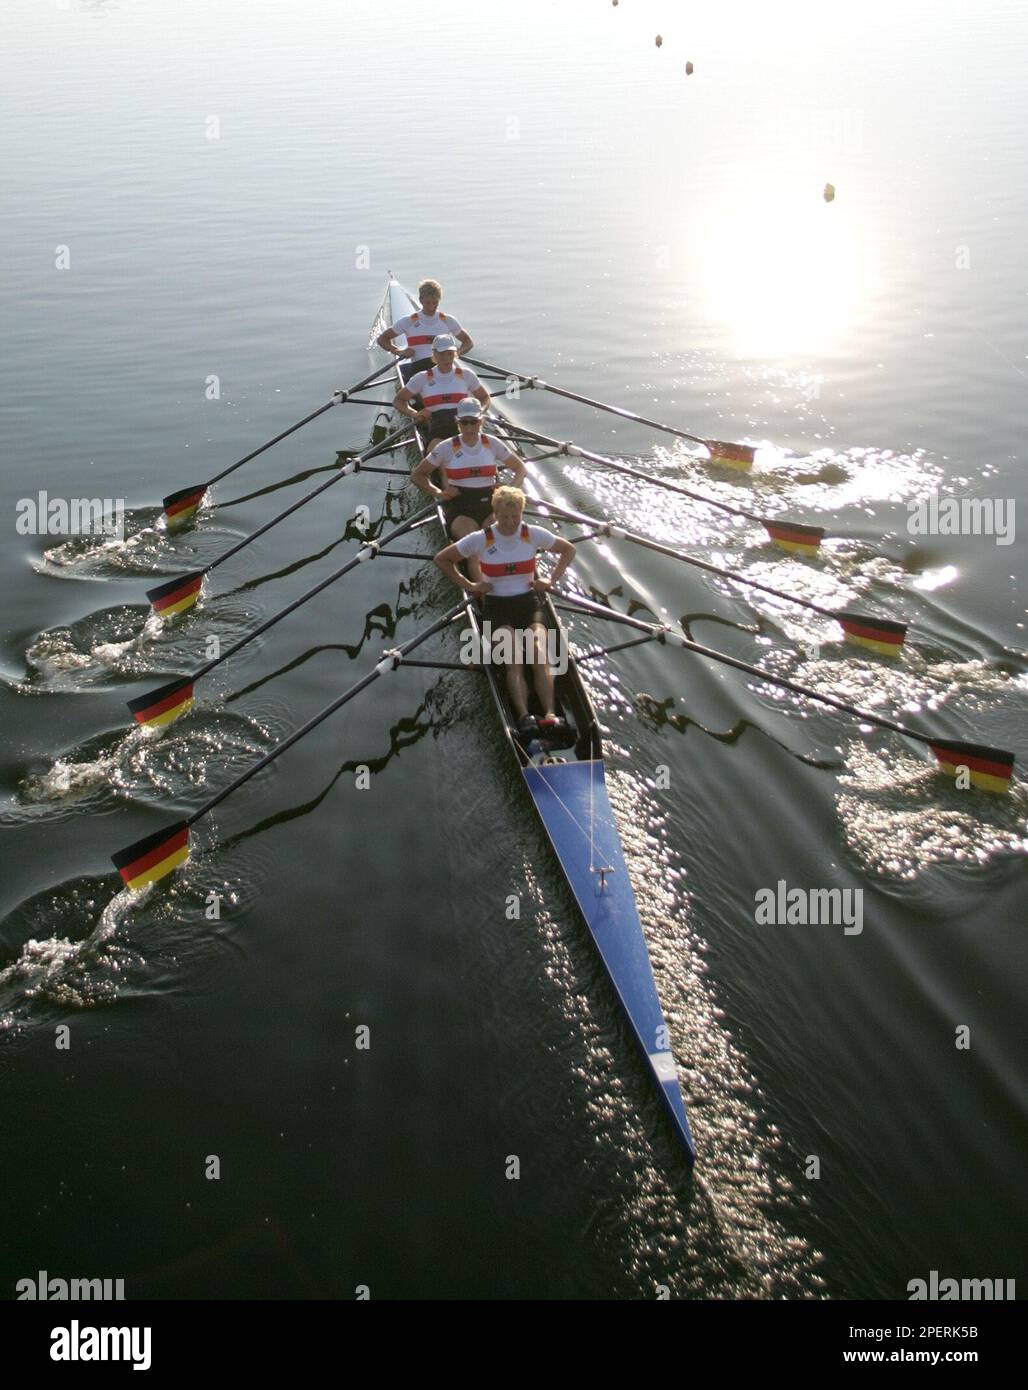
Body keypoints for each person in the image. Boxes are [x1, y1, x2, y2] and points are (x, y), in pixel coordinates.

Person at [434, 485, 575, 739]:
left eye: (516, 516)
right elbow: (443, 559)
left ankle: (552, 714)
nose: (510, 522)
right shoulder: (481, 538)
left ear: (521, 513)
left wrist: (550, 580)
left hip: (529, 603)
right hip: (497, 606)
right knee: (512, 656)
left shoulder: (533, 534)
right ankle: (523, 717)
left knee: (538, 652)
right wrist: (472, 585)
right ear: (495, 513)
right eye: (505, 516)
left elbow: (568, 550)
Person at [412, 398, 527, 582]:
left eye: (473, 422)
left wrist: (509, 491)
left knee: (502, 545)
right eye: (464, 422)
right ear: (457, 422)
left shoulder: (492, 443)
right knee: (476, 550)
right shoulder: (446, 447)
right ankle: (485, 600)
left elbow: (520, 468)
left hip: (491, 506)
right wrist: (439, 493)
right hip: (461, 509)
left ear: (481, 421)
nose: (469, 427)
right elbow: (417, 475)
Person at [394, 336, 490, 446]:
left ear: (454, 354)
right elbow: (398, 401)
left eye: (449, 353)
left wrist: (479, 412)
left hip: (465, 425)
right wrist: (415, 414)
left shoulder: (466, 375)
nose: (446, 358)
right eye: (441, 353)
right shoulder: (422, 378)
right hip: (437, 429)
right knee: (438, 450)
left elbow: (484, 398)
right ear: (434, 354)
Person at [376, 278, 474, 377]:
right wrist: (399, 351)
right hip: (419, 369)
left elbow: (468, 342)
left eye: (435, 303)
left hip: (443, 367)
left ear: (439, 301)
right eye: (427, 303)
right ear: (420, 300)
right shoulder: (408, 321)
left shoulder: (448, 320)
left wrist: (457, 353)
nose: (431, 307)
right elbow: (382, 339)